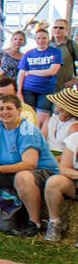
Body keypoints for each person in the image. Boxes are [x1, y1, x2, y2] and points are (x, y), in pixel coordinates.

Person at [0, 94, 59, 237]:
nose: (4, 112)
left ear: (19, 110)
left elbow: (30, 163)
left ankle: (34, 223)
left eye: (9, 108)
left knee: (22, 177)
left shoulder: (28, 130)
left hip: (40, 172)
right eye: (1, 109)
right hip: (7, 170)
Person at [43, 90, 78, 242]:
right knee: (54, 182)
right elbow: (64, 168)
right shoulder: (75, 138)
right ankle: (54, 223)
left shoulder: (74, 127)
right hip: (74, 178)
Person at [19, 24, 62, 124]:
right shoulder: (29, 53)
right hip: (28, 88)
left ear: (48, 39)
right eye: (38, 38)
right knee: (28, 116)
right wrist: (19, 91)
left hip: (46, 89)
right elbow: (21, 74)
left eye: (44, 38)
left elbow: (52, 71)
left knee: (43, 118)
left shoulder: (55, 52)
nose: (41, 40)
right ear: (35, 39)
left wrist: (30, 72)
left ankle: (39, 137)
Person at [52, 20, 78, 90]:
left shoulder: (72, 45)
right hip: (47, 88)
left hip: (64, 89)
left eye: (61, 28)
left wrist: (76, 79)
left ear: (67, 30)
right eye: (55, 27)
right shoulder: (47, 44)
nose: (58, 30)